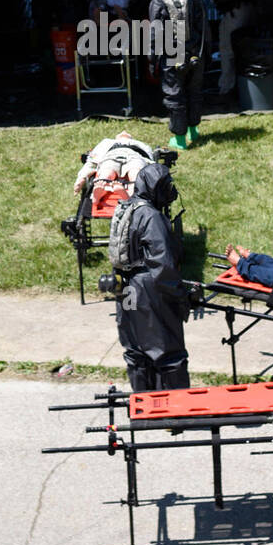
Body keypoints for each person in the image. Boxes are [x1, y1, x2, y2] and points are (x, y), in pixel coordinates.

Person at [111, 162, 189, 391]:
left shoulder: (126, 207)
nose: (171, 192)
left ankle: (143, 403)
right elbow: (162, 266)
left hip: (126, 288)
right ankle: (176, 407)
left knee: (136, 351)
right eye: (167, 186)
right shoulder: (152, 217)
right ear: (156, 188)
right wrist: (180, 297)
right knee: (168, 351)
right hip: (149, 289)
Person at [148, 0, 206, 151]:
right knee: (194, 92)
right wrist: (203, 52)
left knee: (175, 96)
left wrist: (152, 60)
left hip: (172, 56)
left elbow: (155, 35)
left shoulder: (158, 1)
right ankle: (193, 131)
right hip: (195, 53)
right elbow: (204, 27)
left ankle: (180, 140)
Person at [74, 131, 156, 205]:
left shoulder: (140, 143)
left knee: (135, 173)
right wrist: (81, 178)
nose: (124, 131)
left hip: (135, 156)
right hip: (112, 155)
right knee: (107, 173)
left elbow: (149, 158)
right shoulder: (107, 142)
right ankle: (100, 192)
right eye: (122, 132)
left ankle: (128, 195)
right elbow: (93, 160)